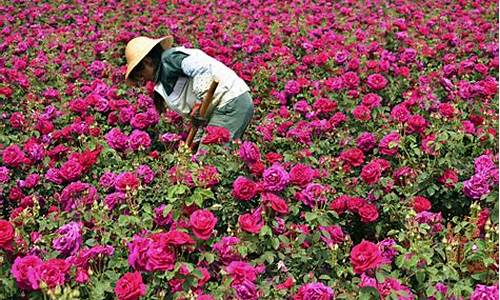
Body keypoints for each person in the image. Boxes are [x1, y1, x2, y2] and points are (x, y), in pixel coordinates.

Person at [124, 36, 254, 150]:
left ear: (147, 62)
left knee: (209, 159)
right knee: (203, 157)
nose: (142, 79)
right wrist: (195, 141)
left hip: (230, 102)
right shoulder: (161, 83)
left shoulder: (170, 59)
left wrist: (199, 103)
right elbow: (200, 116)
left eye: (139, 74)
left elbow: (201, 68)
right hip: (221, 108)